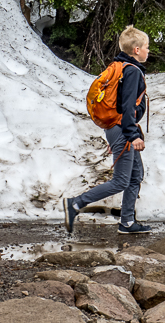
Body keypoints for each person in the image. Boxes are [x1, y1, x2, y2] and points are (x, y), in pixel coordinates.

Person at [63, 25, 151, 235]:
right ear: (136, 50)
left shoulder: (119, 66)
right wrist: (133, 135)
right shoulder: (131, 72)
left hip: (119, 127)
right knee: (121, 180)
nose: (149, 51)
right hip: (123, 129)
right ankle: (75, 204)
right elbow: (127, 106)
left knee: (135, 176)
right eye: (147, 47)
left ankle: (127, 222)